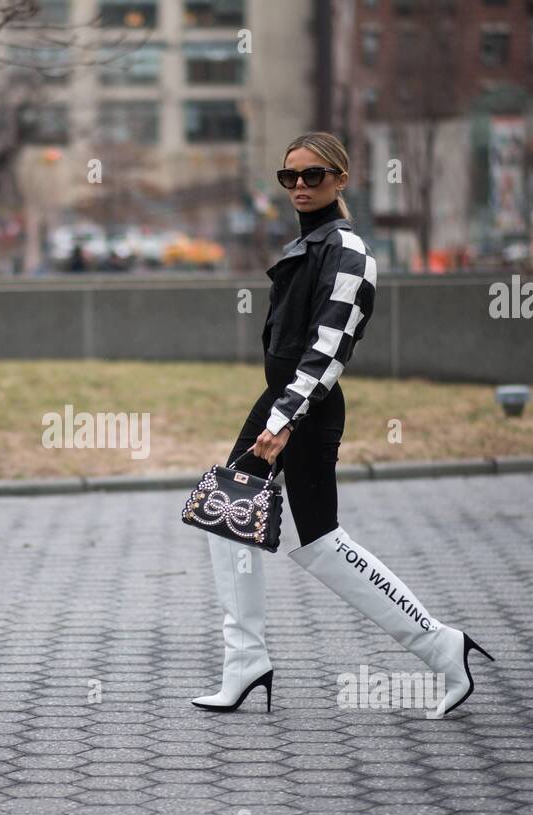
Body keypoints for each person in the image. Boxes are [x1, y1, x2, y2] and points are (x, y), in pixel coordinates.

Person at [191, 131, 494, 717]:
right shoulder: (312, 243)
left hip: (304, 407)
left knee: (312, 540)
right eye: (290, 177)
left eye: (313, 176)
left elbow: (329, 350)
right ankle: (246, 662)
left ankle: (439, 644)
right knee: (233, 518)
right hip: (285, 401)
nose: (300, 186)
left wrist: (283, 419)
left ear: (341, 179)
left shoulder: (349, 252)